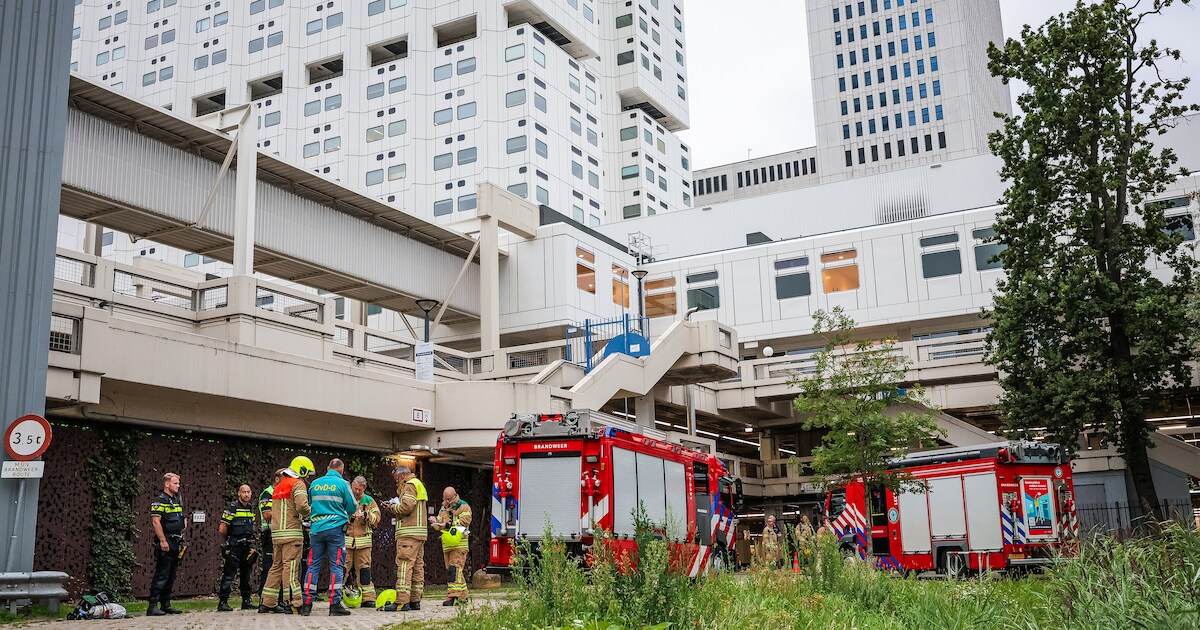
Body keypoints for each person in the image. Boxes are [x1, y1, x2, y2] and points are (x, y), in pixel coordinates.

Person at [300, 459, 356, 616]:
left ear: (327, 468)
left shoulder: (315, 484)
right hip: (335, 530)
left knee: (312, 566)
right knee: (336, 566)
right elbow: (352, 506)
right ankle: (334, 604)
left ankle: (306, 605)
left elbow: (310, 504)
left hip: (316, 530)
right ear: (341, 470)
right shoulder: (343, 484)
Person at [260, 458, 313, 614]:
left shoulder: (278, 486)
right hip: (292, 534)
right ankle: (294, 603)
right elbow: (302, 506)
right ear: (302, 470)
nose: (307, 478)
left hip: (277, 534)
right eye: (307, 474)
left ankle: (267, 602)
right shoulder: (298, 484)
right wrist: (312, 513)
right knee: (290, 569)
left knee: (276, 567)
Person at [382, 465, 428, 612]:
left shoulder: (409, 485)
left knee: (404, 566)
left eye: (397, 478)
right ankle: (415, 600)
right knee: (417, 567)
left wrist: (392, 507)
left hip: (408, 534)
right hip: (419, 533)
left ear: (402, 475)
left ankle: (402, 602)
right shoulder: (418, 484)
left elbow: (406, 507)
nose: (396, 482)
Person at [147, 472, 186, 617]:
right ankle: (152, 606)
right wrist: (163, 540)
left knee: (171, 574)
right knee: (162, 574)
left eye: (178, 483)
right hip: (166, 540)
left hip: (176, 540)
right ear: (167, 484)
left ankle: (166, 604)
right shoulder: (160, 500)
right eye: (175, 483)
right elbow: (156, 522)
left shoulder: (176, 500)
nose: (178, 485)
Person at [217, 484, 258, 611]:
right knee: (229, 575)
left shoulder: (251, 508)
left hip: (247, 545)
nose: (246, 494)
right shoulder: (232, 508)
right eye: (243, 492)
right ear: (238, 494)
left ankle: (246, 601)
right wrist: (230, 541)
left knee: (246, 575)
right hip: (235, 546)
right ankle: (223, 602)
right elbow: (222, 528)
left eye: (248, 492)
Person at [429, 486, 472, 606]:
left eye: (449, 499)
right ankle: (463, 596)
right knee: (454, 571)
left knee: (455, 570)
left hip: (459, 544)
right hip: (447, 544)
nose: (447, 502)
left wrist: (447, 524)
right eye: (445, 499)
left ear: (455, 496)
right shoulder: (443, 508)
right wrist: (435, 522)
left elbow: (464, 522)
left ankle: (454, 597)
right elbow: (440, 523)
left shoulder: (464, 506)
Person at [345, 476, 381, 607]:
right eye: (354, 489)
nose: (356, 492)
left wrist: (366, 516)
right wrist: (348, 517)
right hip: (347, 541)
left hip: (363, 543)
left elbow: (377, 518)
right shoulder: (346, 498)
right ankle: (338, 596)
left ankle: (368, 598)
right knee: (343, 570)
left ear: (364, 488)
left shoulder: (369, 501)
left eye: (359, 490)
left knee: (364, 571)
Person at [257, 471, 282, 603]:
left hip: (279, 533)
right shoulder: (268, 493)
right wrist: (284, 513)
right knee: (268, 566)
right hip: (268, 533)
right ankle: (263, 598)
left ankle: (276, 598)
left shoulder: (281, 493)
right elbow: (267, 514)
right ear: (277, 479)